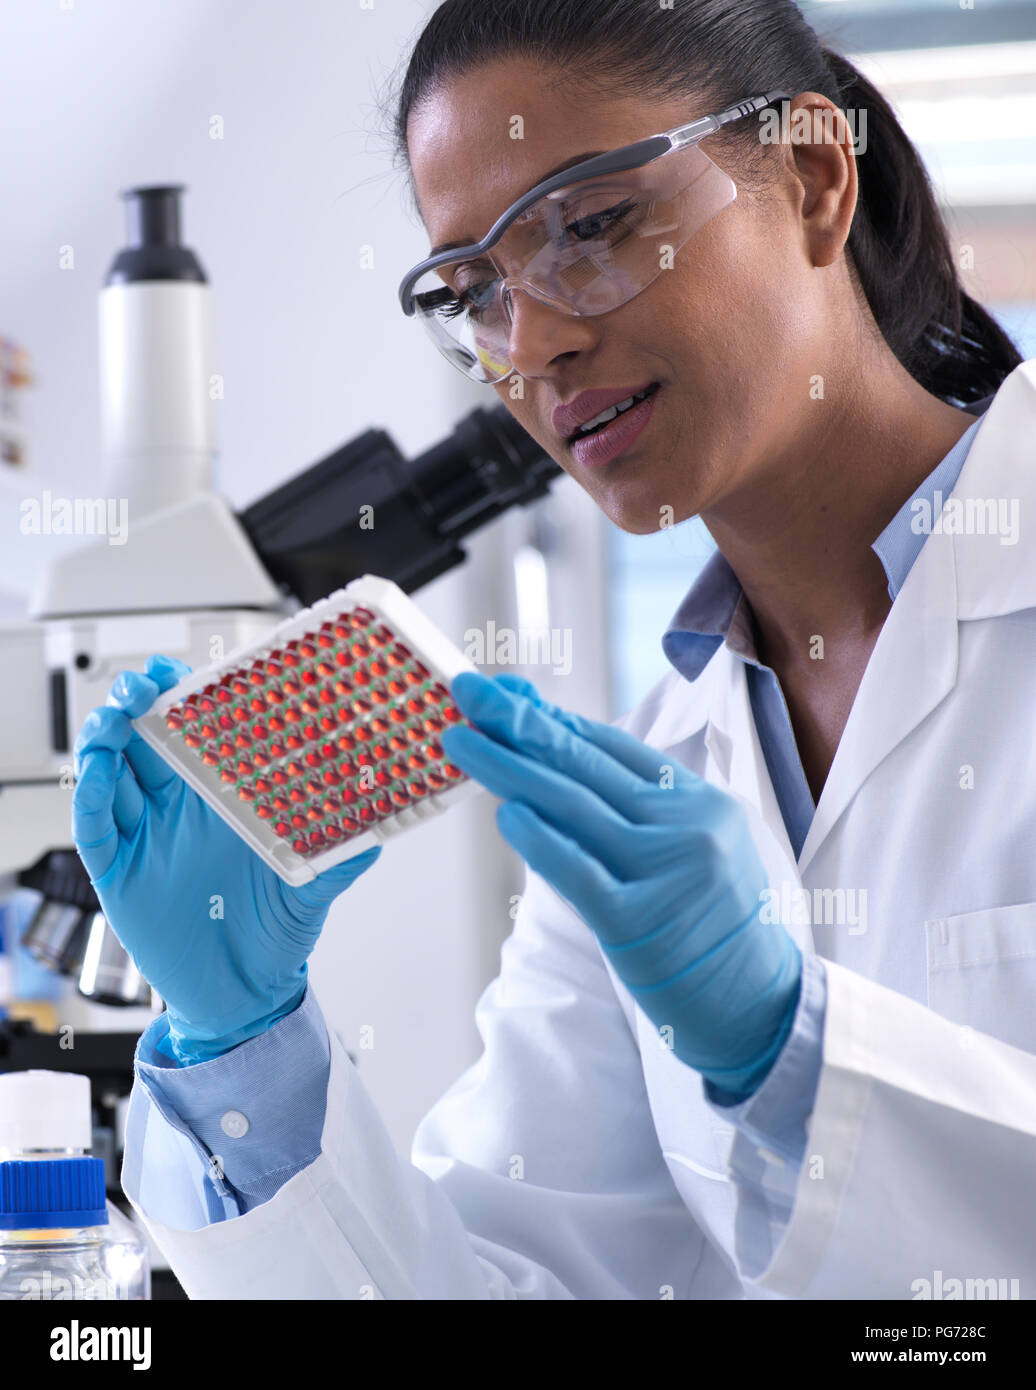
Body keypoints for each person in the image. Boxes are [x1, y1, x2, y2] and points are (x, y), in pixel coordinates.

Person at [72, 0, 1036, 1299]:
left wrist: (792, 1049)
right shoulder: (648, 778)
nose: (531, 345)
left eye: (591, 226)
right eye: (470, 289)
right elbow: (510, 1284)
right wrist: (245, 1049)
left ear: (814, 176)